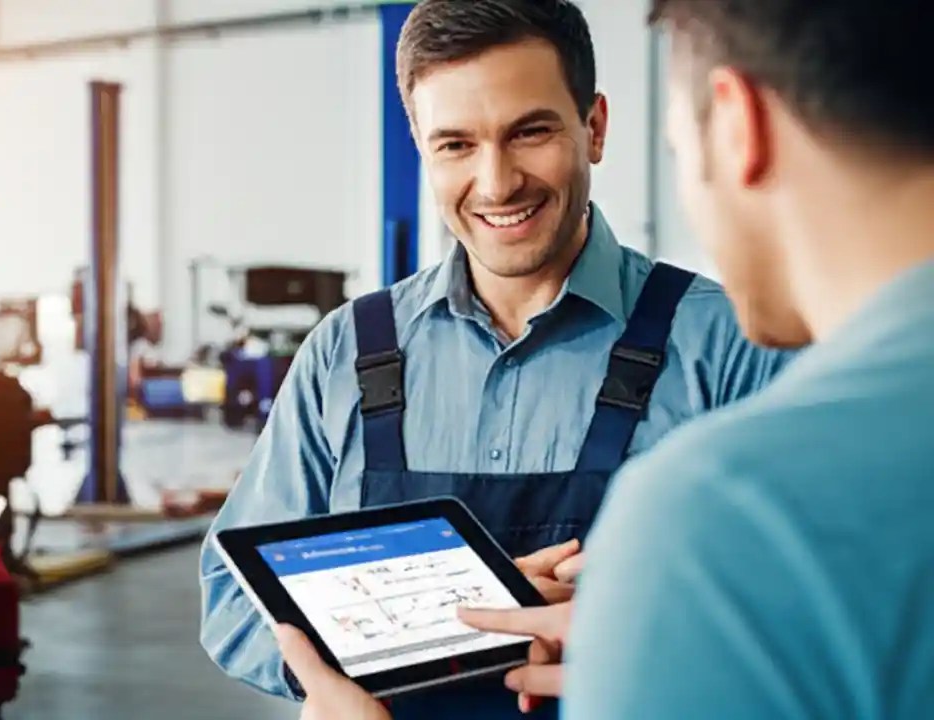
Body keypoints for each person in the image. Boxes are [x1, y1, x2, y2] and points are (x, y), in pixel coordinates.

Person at [275, 0, 934, 717]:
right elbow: (234, 594)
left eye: (530, 133)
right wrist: (437, 627)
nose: (497, 184)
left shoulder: (732, 358)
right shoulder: (346, 349)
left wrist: (645, 639)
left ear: (594, 128)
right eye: (455, 144)